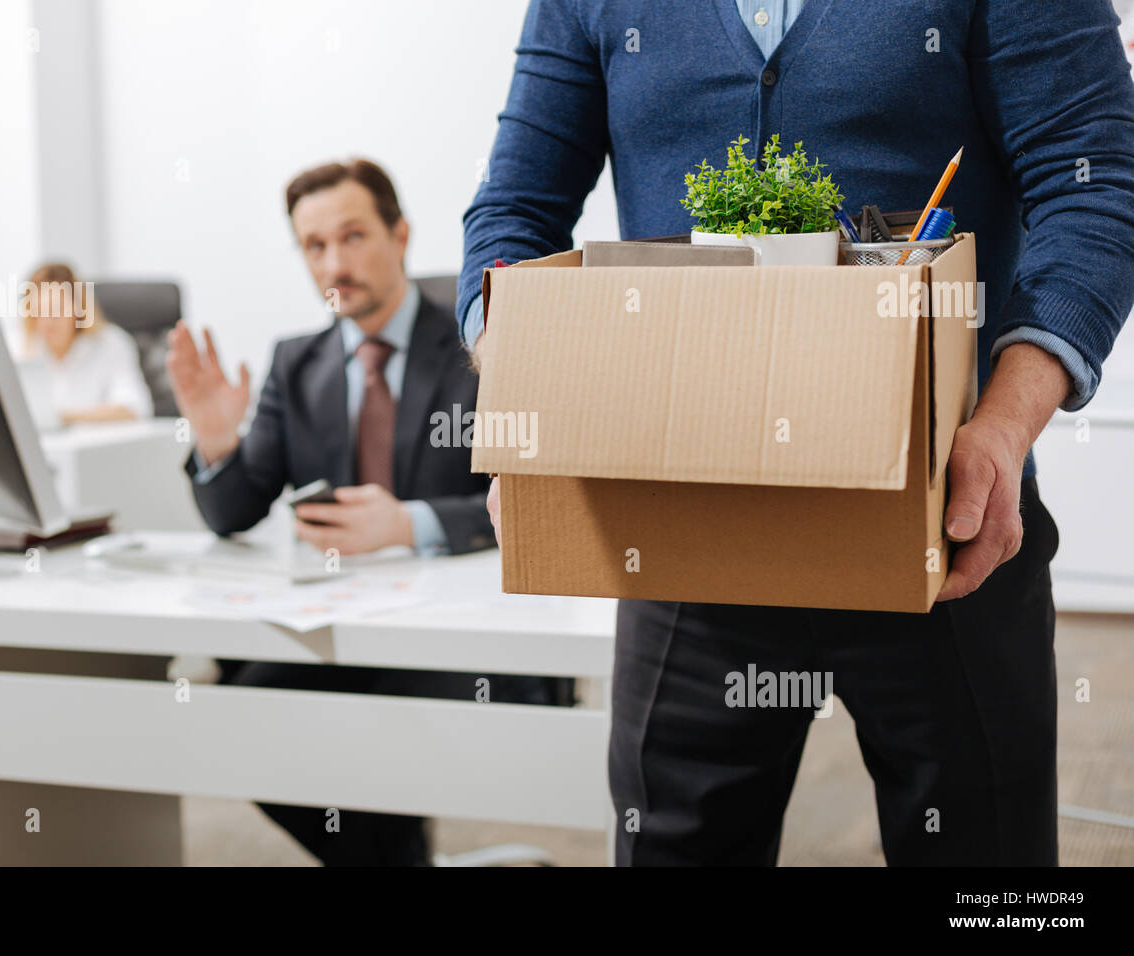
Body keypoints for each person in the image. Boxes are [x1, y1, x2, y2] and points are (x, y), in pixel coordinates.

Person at [459, 0, 1134, 865]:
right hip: (681, 543)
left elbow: (1093, 188)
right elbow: (512, 212)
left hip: (946, 527)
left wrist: (1003, 426)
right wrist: (527, 388)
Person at [168, 158, 568, 866]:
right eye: (314, 247)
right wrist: (215, 439)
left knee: (369, 733)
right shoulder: (297, 363)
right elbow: (234, 511)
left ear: (401, 234)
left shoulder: (483, 347)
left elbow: (543, 496)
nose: (335, 262)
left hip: (460, 635)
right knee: (244, 725)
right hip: (343, 632)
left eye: (353, 237)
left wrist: (410, 524)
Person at [17, 262, 153, 425]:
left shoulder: (111, 343)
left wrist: (62, 419)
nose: (48, 322)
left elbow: (136, 409)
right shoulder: (19, 348)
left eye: (56, 310)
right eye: (39, 311)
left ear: (78, 309)